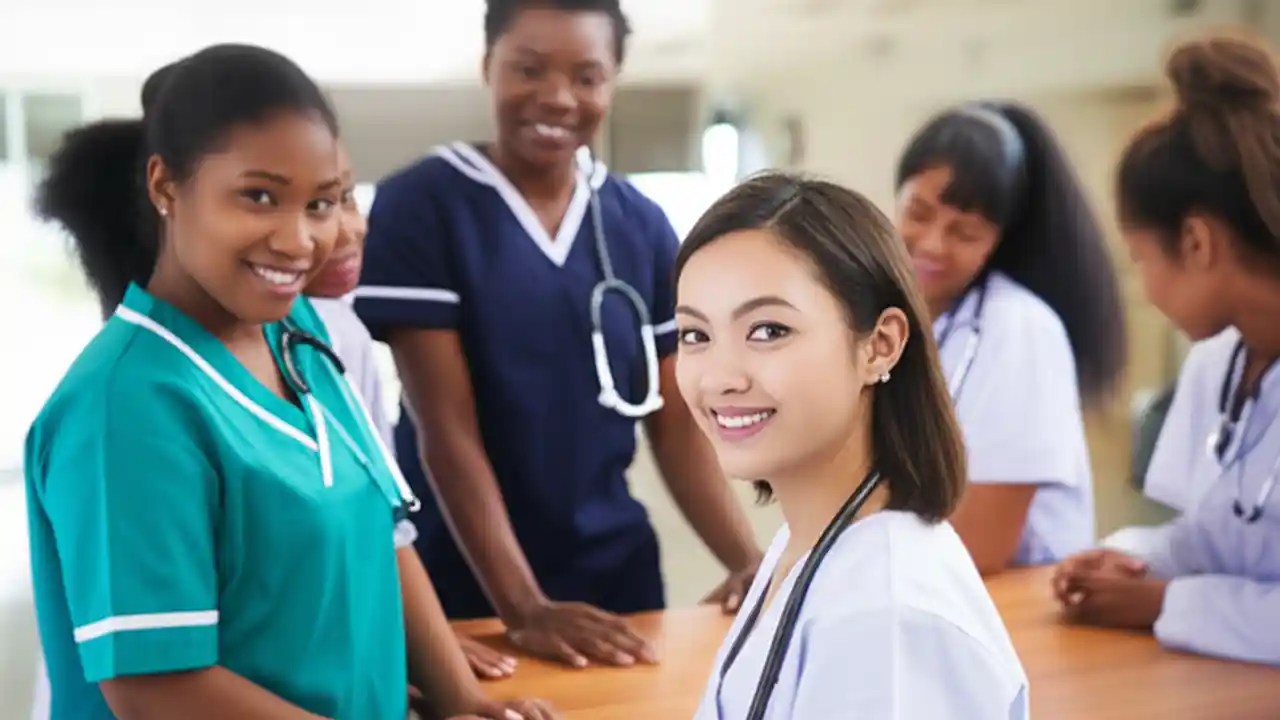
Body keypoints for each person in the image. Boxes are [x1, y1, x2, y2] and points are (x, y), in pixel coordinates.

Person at [27, 45, 550, 720]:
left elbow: (383, 536)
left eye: (325, 201)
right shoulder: (125, 407)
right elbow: (157, 689)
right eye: (259, 196)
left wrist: (463, 701)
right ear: (165, 187)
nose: (301, 240)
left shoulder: (299, 335)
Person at [354, 0, 763, 668]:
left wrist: (752, 563)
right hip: (470, 586)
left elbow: (674, 425)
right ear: (488, 67)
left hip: (618, 578)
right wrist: (524, 608)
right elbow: (446, 433)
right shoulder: (424, 204)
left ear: (613, 83)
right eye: (529, 69)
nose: (558, 97)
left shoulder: (641, 224)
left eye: (587, 76)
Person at [680, 174, 1028, 719]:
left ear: (879, 346)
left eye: (768, 330)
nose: (719, 377)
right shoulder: (810, 541)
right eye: (695, 335)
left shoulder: (886, 614)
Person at [1053, 34, 1280, 667]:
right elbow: (1228, 536)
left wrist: (1164, 603)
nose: (1146, 290)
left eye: (1141, 259)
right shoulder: (1222, 361)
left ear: (1197, 241)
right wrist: (1132, 559)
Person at [305, 144, 522, 683]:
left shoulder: (340, 333)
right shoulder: (147, 394)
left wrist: (440, 668)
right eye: (265, 198)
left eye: (344, 199)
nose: (347, 230)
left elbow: (381, 524)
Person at [893, 101, 1127, 573]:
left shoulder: (1020, 328)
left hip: (1009, 597)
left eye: (964, 232)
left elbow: (981, 545)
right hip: (932, 584)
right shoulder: (902, 321)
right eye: (918, 212)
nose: (934, 243)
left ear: (999, 241)